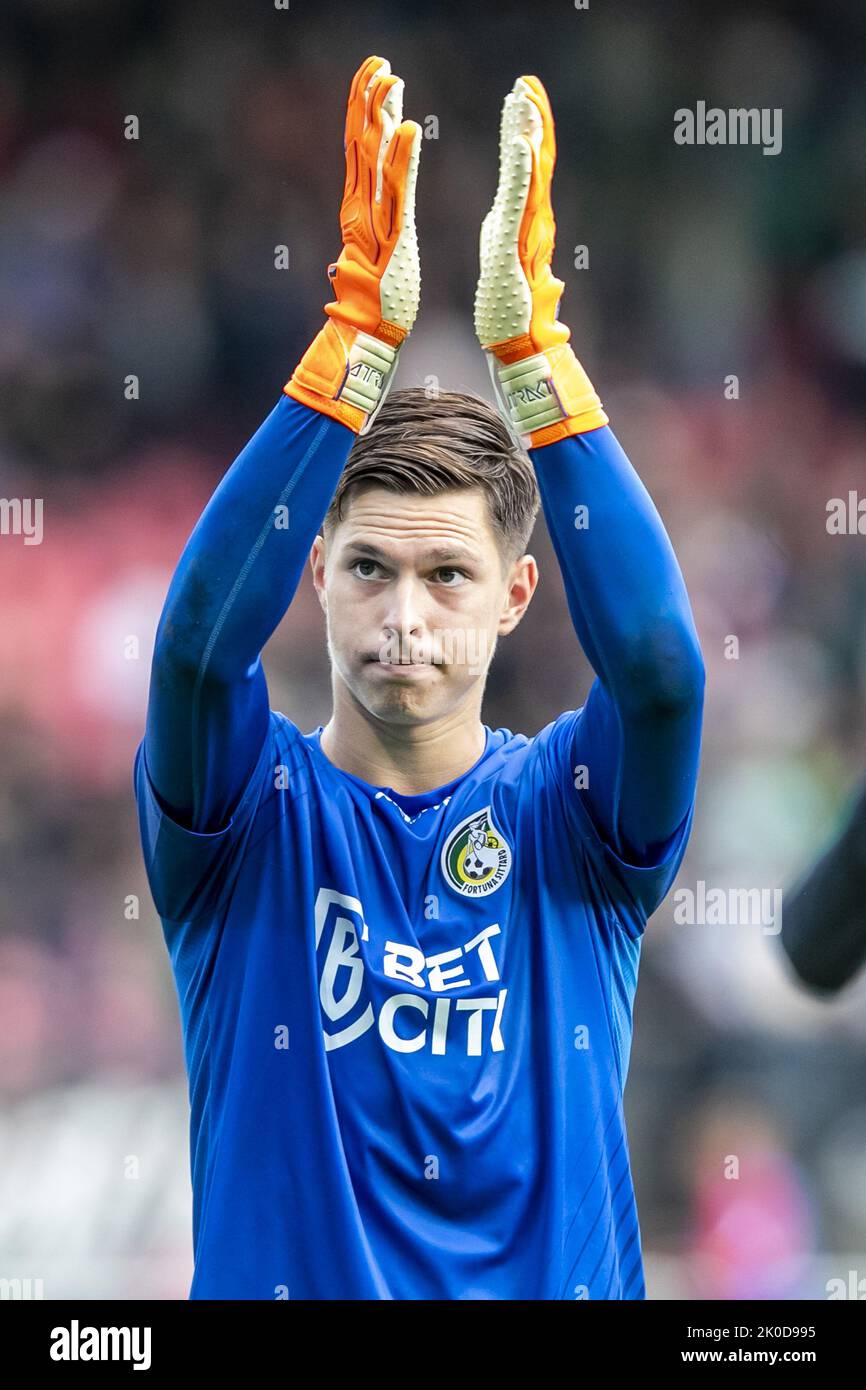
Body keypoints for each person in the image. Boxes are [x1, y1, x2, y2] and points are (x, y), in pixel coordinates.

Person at [133, 55, 704, 1299]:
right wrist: (351, 341)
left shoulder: (568, 818)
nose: (404, 617)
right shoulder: (240, 814)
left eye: (447, 576)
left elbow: (660, 674)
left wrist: (531, 357)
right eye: (369, 568)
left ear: (513, 595)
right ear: (316, 576)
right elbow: (191, 648)